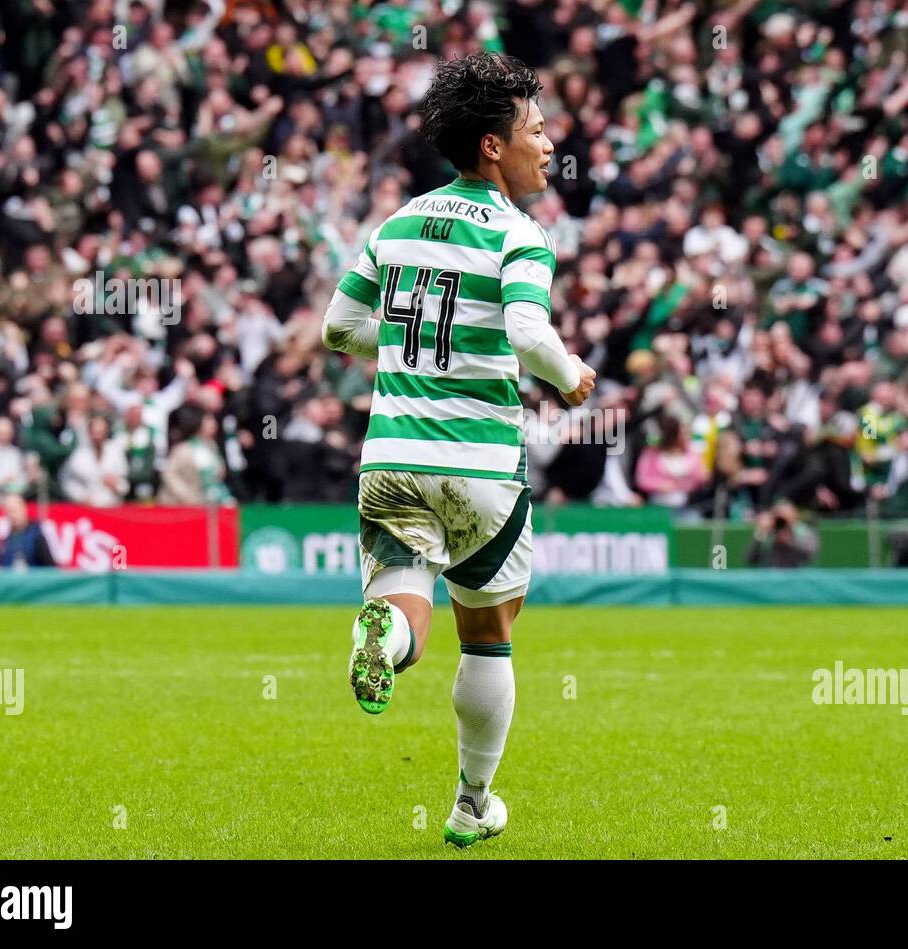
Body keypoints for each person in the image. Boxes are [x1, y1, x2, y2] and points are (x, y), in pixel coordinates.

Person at [319, 53, 595, 848]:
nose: (549, 145)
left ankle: (387, 641)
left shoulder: (397, 223)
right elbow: (524, 332)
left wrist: (410, 351)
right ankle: (474, 800)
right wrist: (570, 375)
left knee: (404, 604)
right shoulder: (521, 234)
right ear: (491, 147)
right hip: (479, 466)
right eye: (536, 131)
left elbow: (339, 327)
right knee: (488, 632)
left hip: (392, 459)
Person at [746, 501, 818, 567]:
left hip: (797, 576)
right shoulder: (768, 532)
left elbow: (808, 556)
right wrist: (761, 534)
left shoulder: (804, 532)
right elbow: (751, 559)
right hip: (770, 575)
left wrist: (789, 540)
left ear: (794, 515)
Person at [0, 494, 56, 569]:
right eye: (9, 512)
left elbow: (51, 568)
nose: (12, 515)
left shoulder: (37, 536)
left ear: (24, 508)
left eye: (14, 510)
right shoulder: (5, 541)